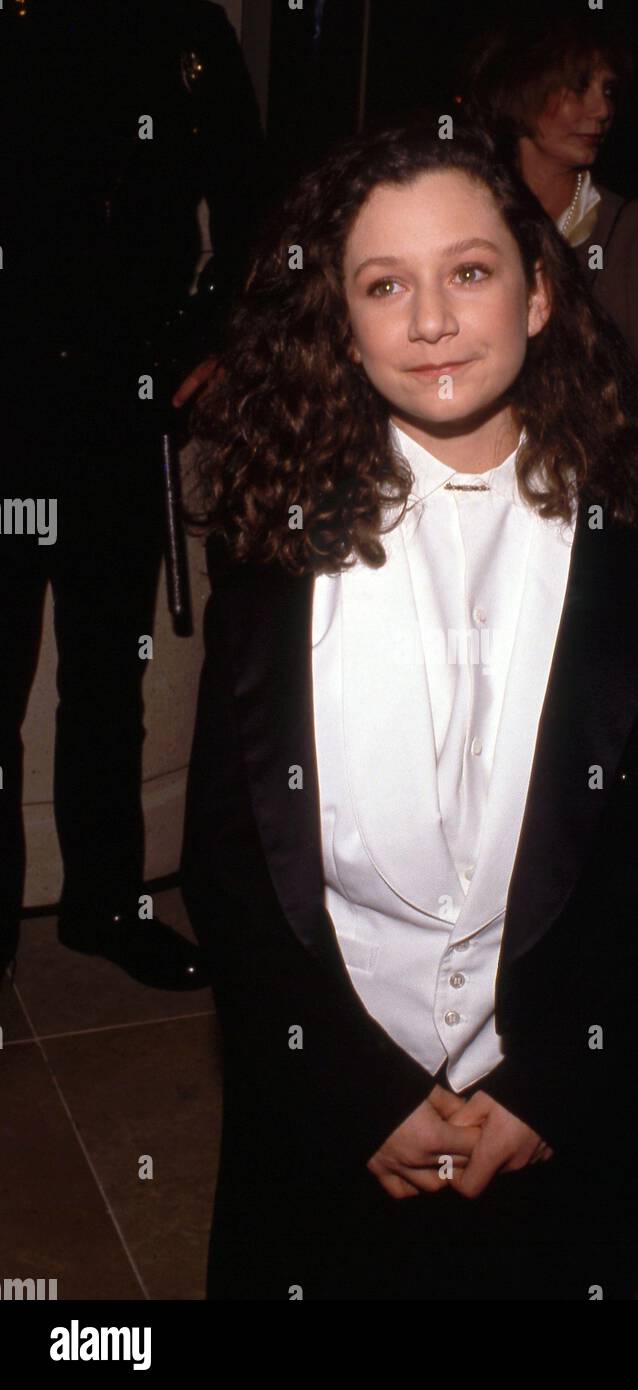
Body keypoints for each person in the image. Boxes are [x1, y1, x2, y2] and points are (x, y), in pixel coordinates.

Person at [180, 119, 638, 1300]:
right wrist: (356, 1094)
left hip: (552, 1130)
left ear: (540, 294)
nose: (430, 319)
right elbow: (235, 873)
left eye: (470, 272)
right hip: (329, 1130)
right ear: (341, 324)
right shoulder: (273, 556)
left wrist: (549, 1092)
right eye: (385, 284)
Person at [0, 0, 269, 989]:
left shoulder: (182, 30)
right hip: (9, 400)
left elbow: (250, 197)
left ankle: (107, 903)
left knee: (107, 670)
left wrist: (210, 336)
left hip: (125, 396)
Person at [461, 14, 638, 445]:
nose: (602, 110)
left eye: (609, 91)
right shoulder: (461, 225)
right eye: (579, 88)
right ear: (519, 92)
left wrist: (591, 444)